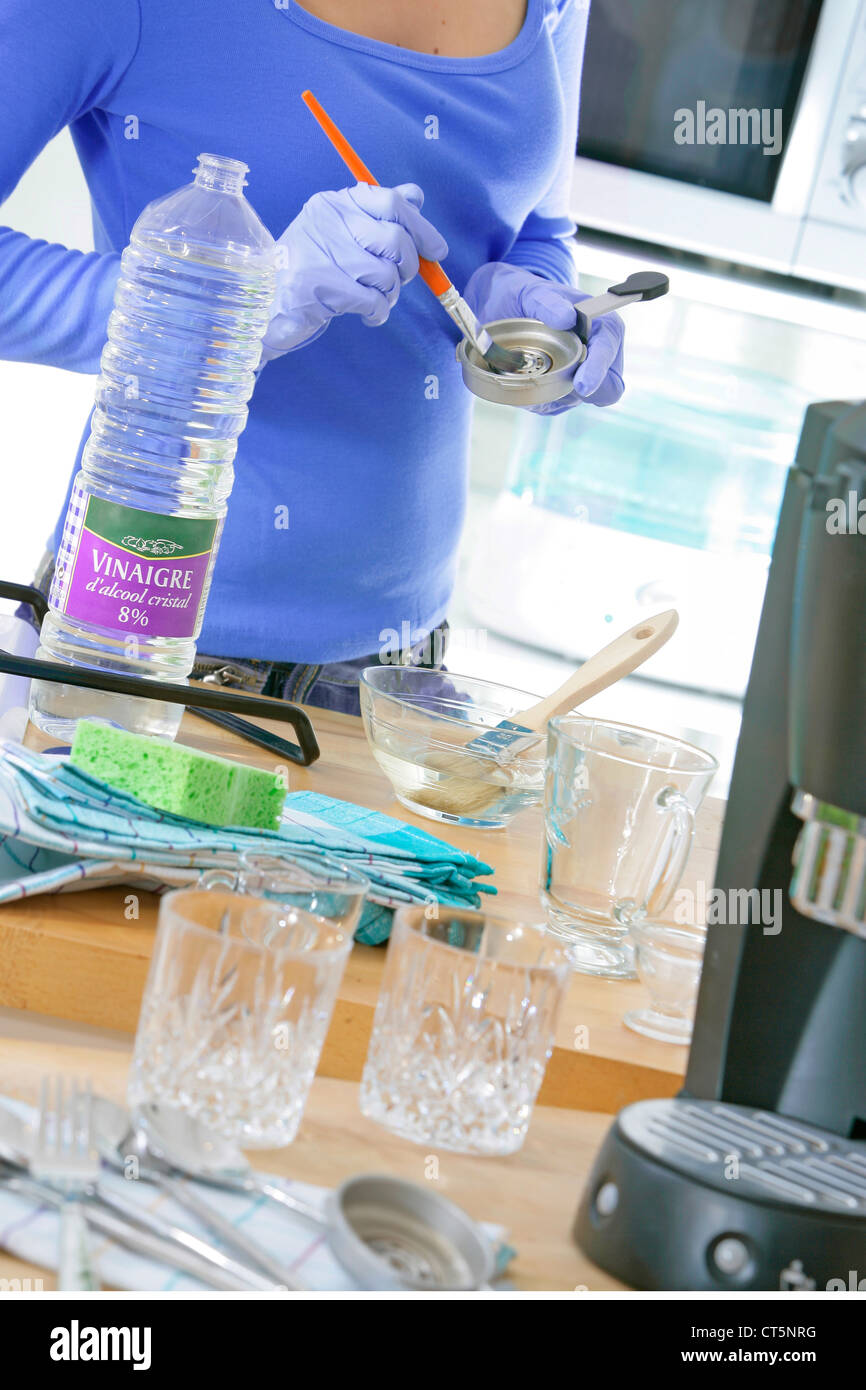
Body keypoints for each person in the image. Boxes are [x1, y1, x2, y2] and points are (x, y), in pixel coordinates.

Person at [0, 0, 624, 714]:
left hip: (404, 673)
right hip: (145, 649)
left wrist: (529, 305)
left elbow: (536, 225)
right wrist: (241, 303)